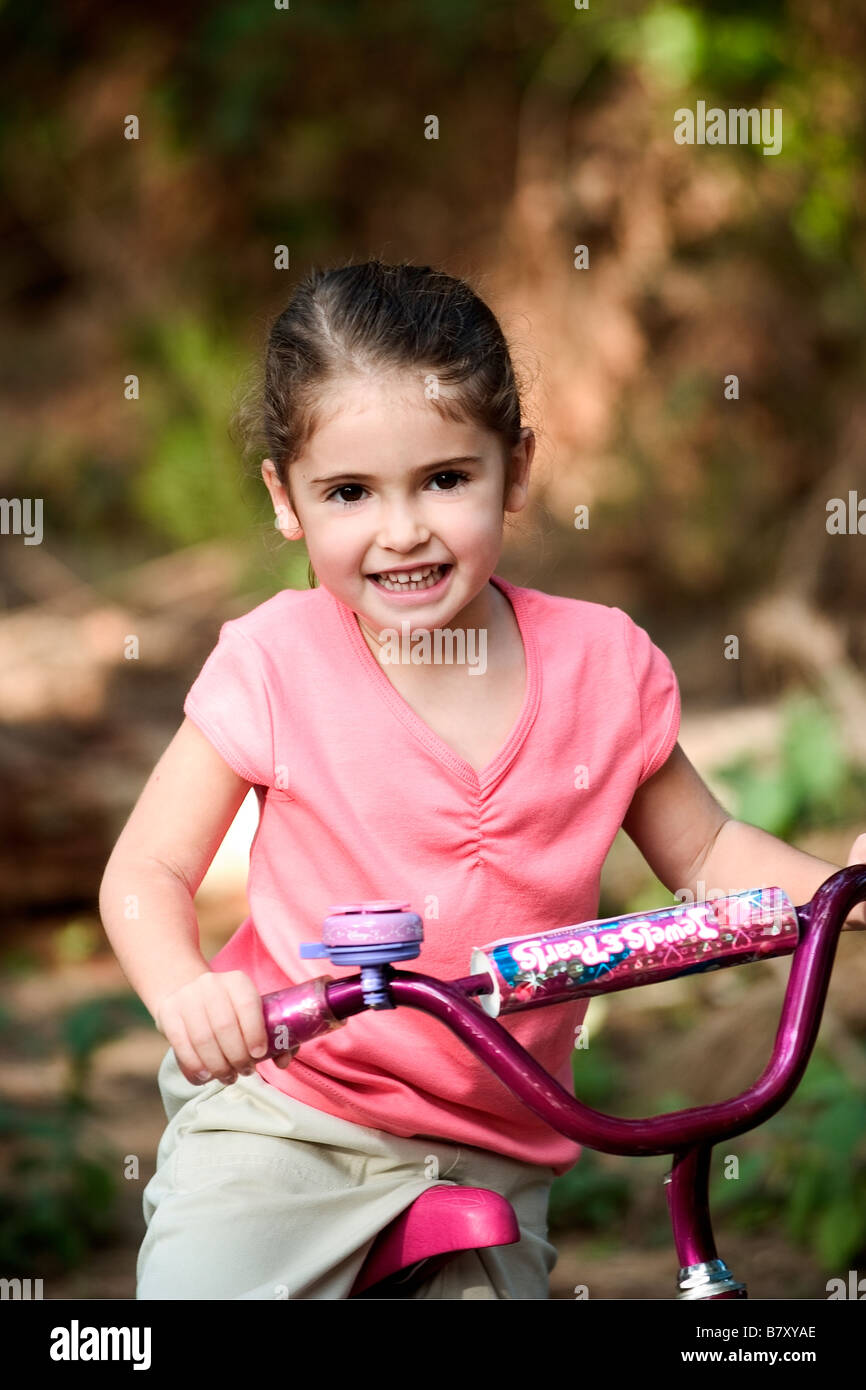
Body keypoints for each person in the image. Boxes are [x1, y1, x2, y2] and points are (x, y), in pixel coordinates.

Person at [99, 259, 866, 1301]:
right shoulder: (276, 661)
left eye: (445, 479)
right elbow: (145, 867)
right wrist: (187, 992)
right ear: (285, 500)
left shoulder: (600, 665)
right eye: (349, 492)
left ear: (517, 467)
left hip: (506, 1135)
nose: (402, 529)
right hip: (292, 1119)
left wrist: (836, 889)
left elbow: (707, 854)